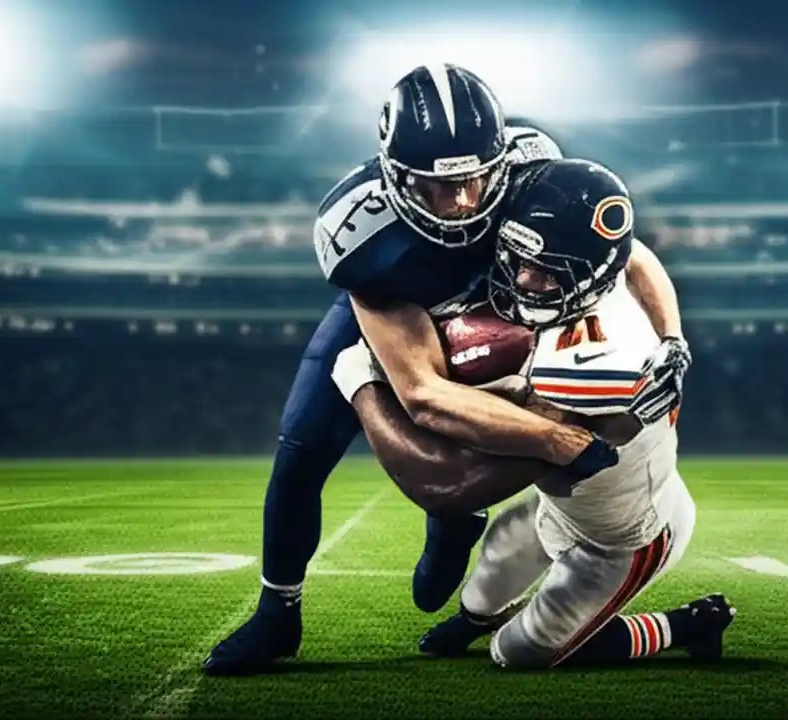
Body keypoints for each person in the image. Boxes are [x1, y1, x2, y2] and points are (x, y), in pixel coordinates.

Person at [204, 65, 690, 675]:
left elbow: (626, 253)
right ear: (396, 175)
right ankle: (277, 612)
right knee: (301, 448)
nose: (463, 200)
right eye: (439, 186)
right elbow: (422, 392)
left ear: (498, 158)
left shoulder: (529, 165)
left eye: (476, 179)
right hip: (398, 315)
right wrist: (556, 441)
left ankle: (457, 521)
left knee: (481, 437)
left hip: (500, 305)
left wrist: (671, 337)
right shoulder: (364, 235)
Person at [330, 158, 732, 669]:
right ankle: (477, 620)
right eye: (519, 258)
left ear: (590, 274)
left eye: (545, 271)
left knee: (519, 651)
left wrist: (360, 379)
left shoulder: (604, 367)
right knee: (486, 582)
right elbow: (634, 255)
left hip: (625, 538)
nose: (522, 277)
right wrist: (675, 337)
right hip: (563, 510)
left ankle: (687, 626)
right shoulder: (596, 263)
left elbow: (447, 484)